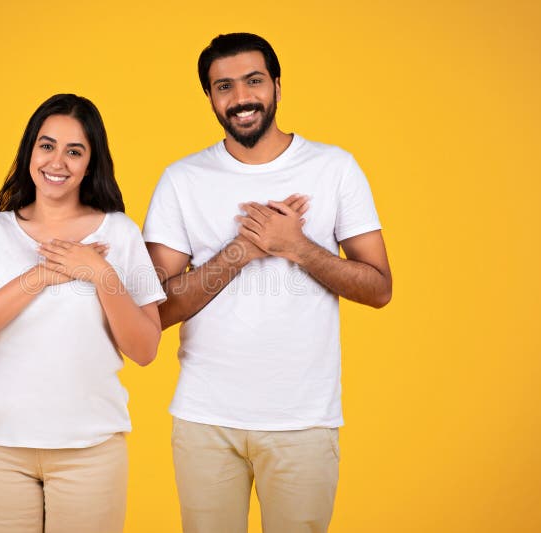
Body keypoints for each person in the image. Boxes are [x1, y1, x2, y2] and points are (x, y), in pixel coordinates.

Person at [143, 33, 393, 533]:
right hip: (205, 418)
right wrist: (240, 252)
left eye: (254, 81)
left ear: (277, 86)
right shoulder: (182, 179)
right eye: (224, 87)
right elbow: (155, 311)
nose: (241, 98)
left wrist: (295, 246)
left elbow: (379, 287)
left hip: (303, 419)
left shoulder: (334, 168)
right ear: (211, 97)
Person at [0, 93, 165, 533]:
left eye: (74, 150)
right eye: (47, 145)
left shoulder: (119, 232)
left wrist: (100, 273)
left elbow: (145, 348)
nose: (57, 161)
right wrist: (40, 276)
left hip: (91, 451)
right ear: (29, 151)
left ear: (90, 162)